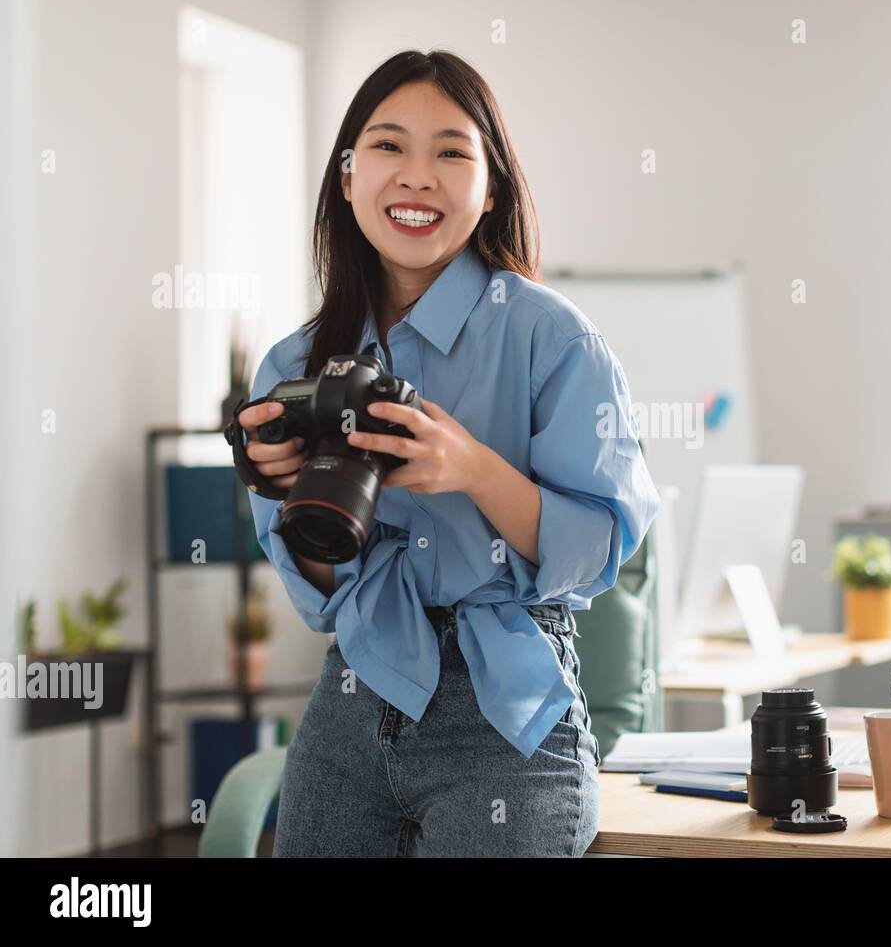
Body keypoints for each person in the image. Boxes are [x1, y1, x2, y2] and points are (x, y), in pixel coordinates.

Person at [235, 50, 659, 857]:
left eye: (453, 152)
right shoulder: (293, 368)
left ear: (491, 185)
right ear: (349, 174)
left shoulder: (552, 338)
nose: (417, 177)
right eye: (390, 147)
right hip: (351, 699)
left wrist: (474, 470)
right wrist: (290, 494)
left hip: (504, 706)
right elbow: (321, 595)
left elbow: (601, 549)